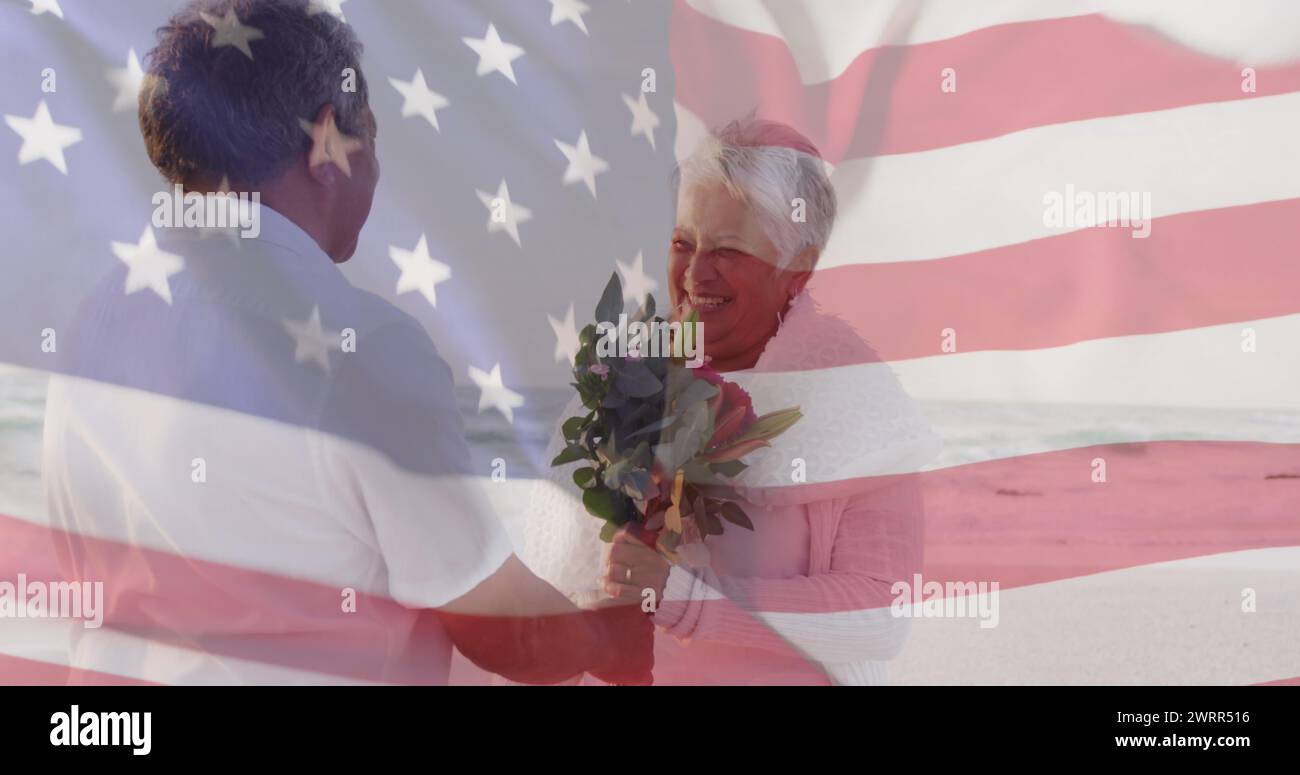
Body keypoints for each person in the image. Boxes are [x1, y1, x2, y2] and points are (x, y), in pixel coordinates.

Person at [40, 0, 650, 685]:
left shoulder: (93, 320)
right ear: (326, 138)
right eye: (372, 137)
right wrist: (619, 636)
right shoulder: (368, 347)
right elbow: (508, 633)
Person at [520, 117, 940, 685]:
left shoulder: (855, 397)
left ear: (799, 268)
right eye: (682, 243)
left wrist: (684, 598)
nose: (694, 272)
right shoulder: (625, 372)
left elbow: (878, 615)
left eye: (729, 250)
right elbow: (545, 584)